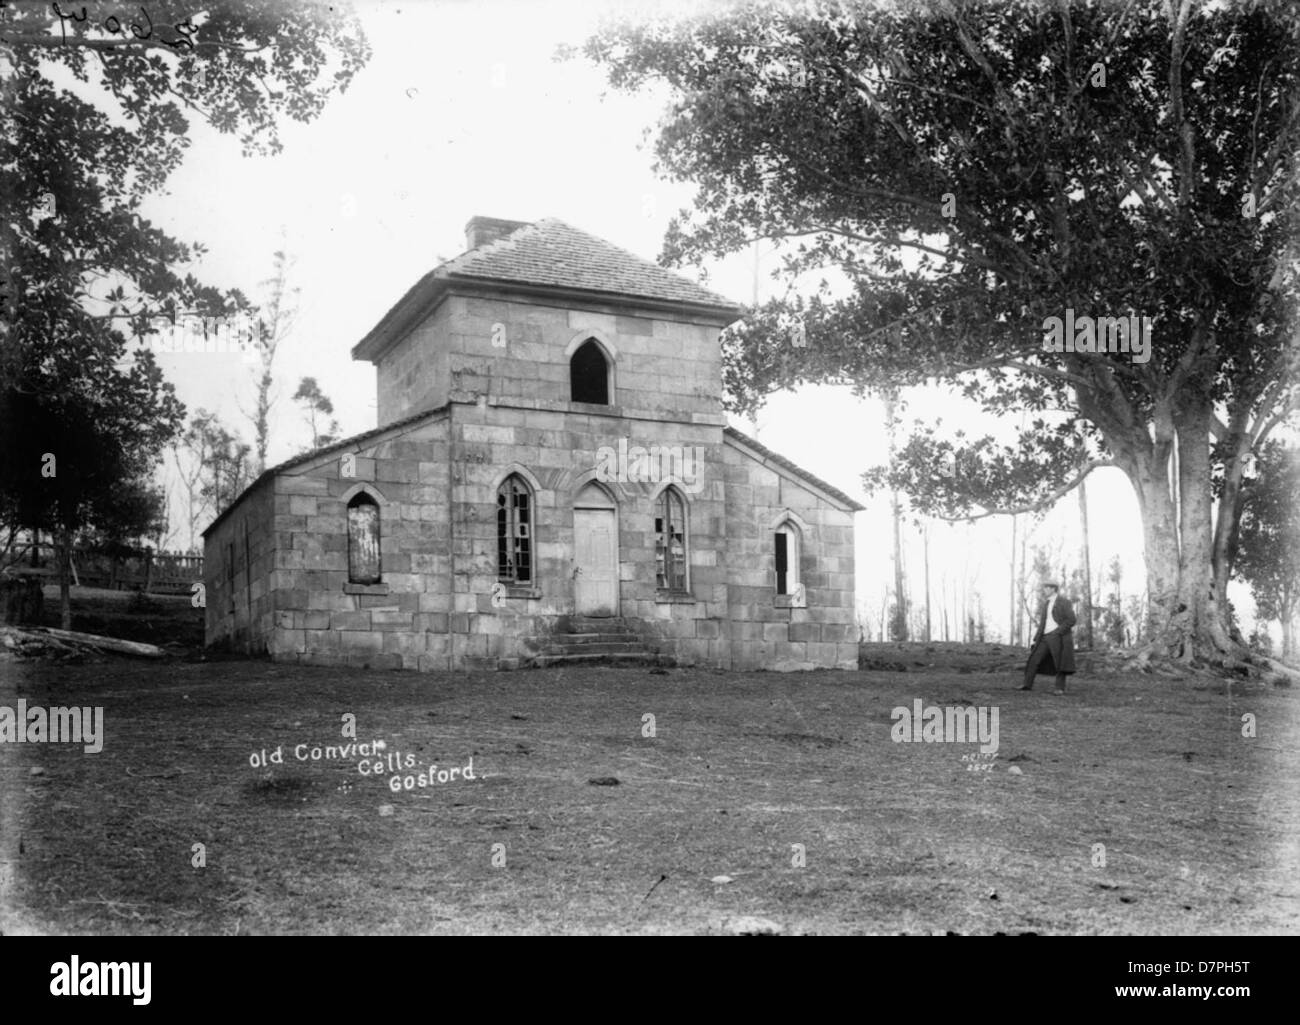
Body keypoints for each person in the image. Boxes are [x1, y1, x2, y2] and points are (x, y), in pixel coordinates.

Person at [1020, 580, 1076, 694]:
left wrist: (1058, 631)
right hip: (1044, 636)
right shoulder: (1046, 603)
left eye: (1046, 588)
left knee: (1059, 662)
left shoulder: (1064, 602)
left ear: (1053, 589)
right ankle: (1027, 684)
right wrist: (1038, 636)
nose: (1044, 590)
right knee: (1034, 659)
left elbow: (1071, 619)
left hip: (1057, 636)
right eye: (1044, 588)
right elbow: (1044, 622)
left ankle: (1059, 688)